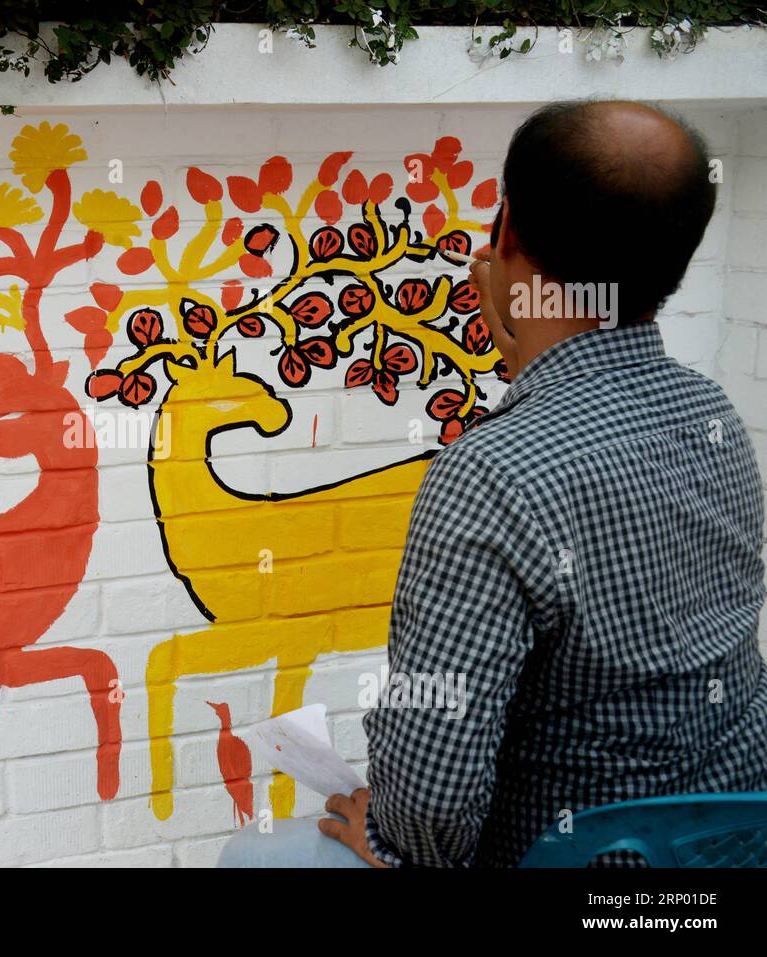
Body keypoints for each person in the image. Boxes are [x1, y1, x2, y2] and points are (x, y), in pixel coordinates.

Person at [219, 99, 767, 868]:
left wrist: (386, 829)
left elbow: (432, 813)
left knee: (257, 855)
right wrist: (533, 381)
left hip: (566, 859)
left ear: (503, 231)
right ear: (674, 262)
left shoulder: (490, 473)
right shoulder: (713, 416)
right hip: (723, 846)